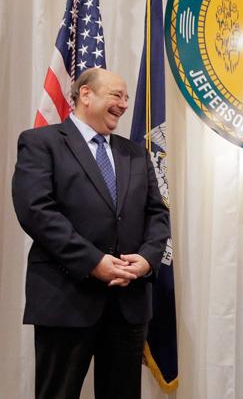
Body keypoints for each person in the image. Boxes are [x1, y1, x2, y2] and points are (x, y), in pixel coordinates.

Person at [11, 68, 170, 399]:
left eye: (127, 97)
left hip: (129, 302)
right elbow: (36, 211)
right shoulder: (41, 142)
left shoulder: (135, 153)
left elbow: (157, 213)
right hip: (66, 297)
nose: (124, 104)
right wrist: (93, 261)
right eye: (117, 95)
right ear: (86, 94)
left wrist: (146, 259)